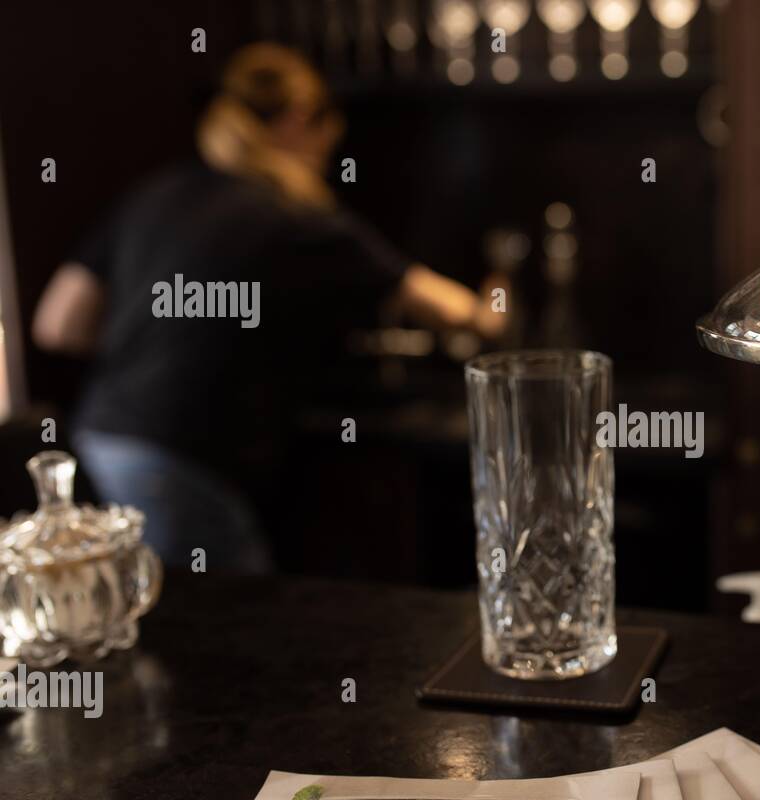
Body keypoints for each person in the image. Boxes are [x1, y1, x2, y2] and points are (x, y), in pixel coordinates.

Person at [33, 44, 499, 573]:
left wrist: (151, 339)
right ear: (300, 120)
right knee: (232, 631)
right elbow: (447, 306)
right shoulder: (294, 217)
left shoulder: (154, 194)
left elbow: (58, 324)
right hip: (180, 460)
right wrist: (496, 301)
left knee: (153, 628)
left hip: (96, 445)